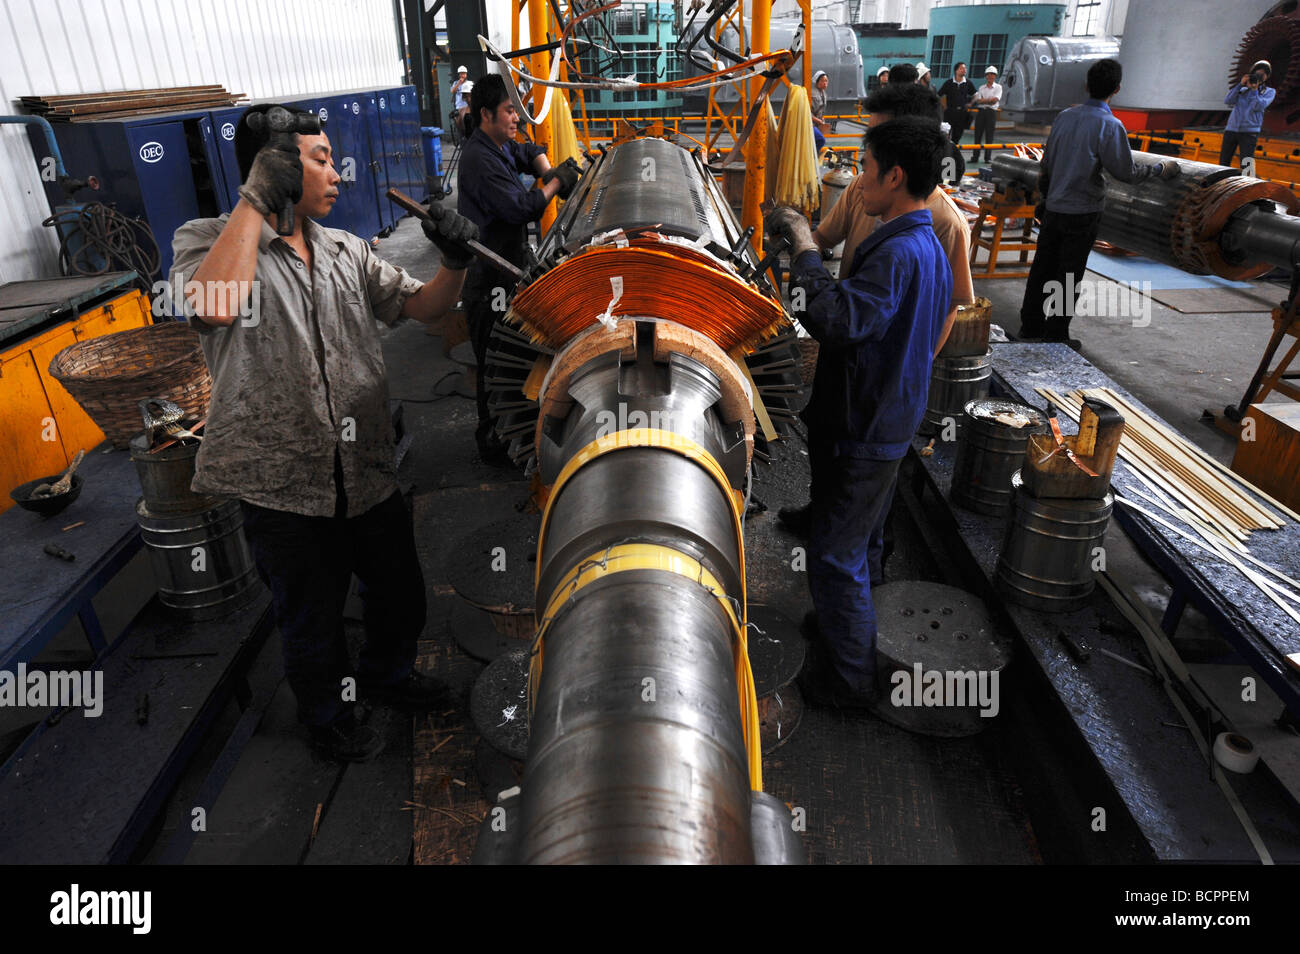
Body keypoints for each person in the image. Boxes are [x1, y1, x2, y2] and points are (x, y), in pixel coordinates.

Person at [169, 103, 481, 762]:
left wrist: (453, 261)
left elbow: (425, 309)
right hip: (281, 480)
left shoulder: (345, 250)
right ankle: (327, 711)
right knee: (311, 615)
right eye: (319, 159)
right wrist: (255, 200)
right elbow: (213, 306)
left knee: (398, 593)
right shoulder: (205, 242)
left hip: (365, 465)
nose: (337, 172)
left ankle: (387, 676)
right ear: (274, 170)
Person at [765, 116, 952, 708]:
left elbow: (838, 321)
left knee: (834, 552)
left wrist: (803, 248)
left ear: (895, 176)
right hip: (889, 417)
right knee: (865, 538)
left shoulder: (897, 252)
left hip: (865, 422)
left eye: (865, 169)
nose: (856, 181)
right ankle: (850, 629)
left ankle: (848, 682)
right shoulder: (925, 243)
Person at [781, 82, 974, 537]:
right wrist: (802, 249)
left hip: (878, 380)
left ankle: (857, 572)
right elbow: (824, 242)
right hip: (853, 364)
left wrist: (909, 367)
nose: (862, 168)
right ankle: (825, 521)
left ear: (898, 166)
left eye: (873, 154)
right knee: (837, 482)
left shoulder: (941, 224)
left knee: (861, 513)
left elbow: (948, 306)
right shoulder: (866, 197)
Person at [456, 74, 580, 465]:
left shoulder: (498, 145)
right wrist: (557, 180)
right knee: (493, 359)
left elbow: (528, 151)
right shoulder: (479, 159)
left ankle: (508, 429)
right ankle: (491, 440)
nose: (516, 119)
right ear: (485, 114)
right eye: (510, 112)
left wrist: (544, 166)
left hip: (507, 266)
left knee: (510, 353)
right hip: (487, 274)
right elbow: (520, 208)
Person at [1017, 59, 1172, 346]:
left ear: (1087, 85)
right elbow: (1124, 172)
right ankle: (1056, 333)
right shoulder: (1110, 126)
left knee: (1042, 268)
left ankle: (1030, 327)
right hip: (1082, 212)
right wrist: (1158, 170)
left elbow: (1047, 163)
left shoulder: (1064, 117)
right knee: (1068, 274)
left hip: (1054, 207)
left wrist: (1044, 198)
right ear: (1117, 89)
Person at [1220, 60, 1275, 169]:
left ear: (1266, 77)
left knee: (1247, 165)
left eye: (1262, 75)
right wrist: (1240, 85)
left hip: (1249, 132)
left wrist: (1254, 90)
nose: (1258, 77)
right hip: (1231, 130)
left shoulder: (1269, 91)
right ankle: (1221, 183)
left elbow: (1258, 106)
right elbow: (1228, 100)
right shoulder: (1242, 89)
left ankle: (1248, 184)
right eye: (1256, 74)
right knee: (1223, 162)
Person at [938, 62, 976, 144]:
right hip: (950, 113)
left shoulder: (968, 83)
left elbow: (976, 95)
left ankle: (953, 153)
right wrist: (943, 105)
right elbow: (939, 95)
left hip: (962, 114)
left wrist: (971, 103)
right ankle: (945, 153)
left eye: (965, 68)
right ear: (956, 71)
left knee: (957, 136)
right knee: (945, 135)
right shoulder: (949, 83)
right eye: (962, 68)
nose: (964, 70)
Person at [970, 66, 1002, 163]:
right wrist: (988, 100)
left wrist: (984, 100)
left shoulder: (998, 87)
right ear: (985, 76)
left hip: (991, 113)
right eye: (988, 74)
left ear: (995, 76)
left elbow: (995, 101)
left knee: (989, 136)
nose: (990, 76)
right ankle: (975, 157)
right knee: (977, 135)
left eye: (992, 74)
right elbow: (979, 101)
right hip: (981, 113)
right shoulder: (981, 88)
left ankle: (987, 158)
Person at [810, 69, 831, 152]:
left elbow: (821, 110)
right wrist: (818, 121)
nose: (825, 83)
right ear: (817, 82)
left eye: (826, 81)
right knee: (821, 140)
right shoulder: (812, 94)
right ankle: (812, 158)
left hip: (816, 123)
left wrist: (821, 119)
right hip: (810, 124)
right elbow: (808, 113)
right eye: (822, 81)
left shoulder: (823, 93)